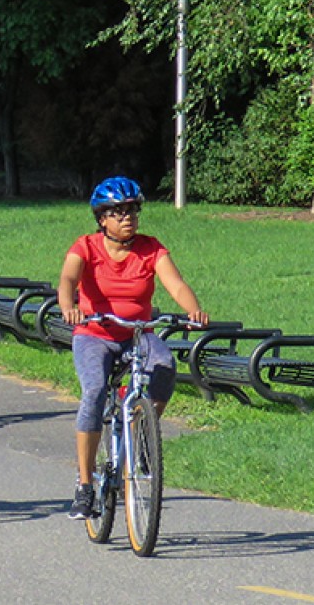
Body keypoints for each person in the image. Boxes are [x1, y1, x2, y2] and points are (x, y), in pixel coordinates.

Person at [58, 176, 208, 520]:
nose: (128, 217)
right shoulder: (85, 246)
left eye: (133, 211)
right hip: (94, 333)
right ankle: (84, 485)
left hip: (137, 333)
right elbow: (67, 280)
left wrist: (192, 310)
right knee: (94, 390)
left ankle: (142, 432)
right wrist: (69, 305)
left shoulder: (151, 248)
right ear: (102, 219)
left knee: (164, 366)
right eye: (119, 212)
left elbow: (176, 283)